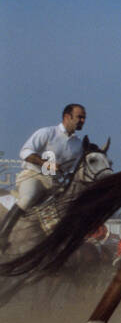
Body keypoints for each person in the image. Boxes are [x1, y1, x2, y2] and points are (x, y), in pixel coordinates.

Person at [0, 104, 87, 252]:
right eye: (79, 117)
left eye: (84, 118)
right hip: (34, 177)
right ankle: (2, 236)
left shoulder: (77, 144)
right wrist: (46, 165)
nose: (82, 121)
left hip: (55, 183)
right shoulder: (47, 133)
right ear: (67, 117)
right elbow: (25, 153)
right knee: (28, 198)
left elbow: (73, 170)